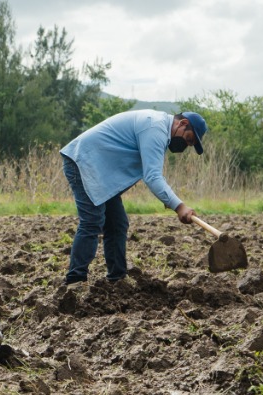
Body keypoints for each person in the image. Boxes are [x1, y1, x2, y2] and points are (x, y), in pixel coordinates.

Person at [59, 108, 209, 285]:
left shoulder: (157, 126)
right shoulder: (155, 128)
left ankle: (117, 280)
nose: (184, 145)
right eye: (188, 139)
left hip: (100, 172)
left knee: (117, 223)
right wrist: (179, 206)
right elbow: (152, 177)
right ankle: (75, 282)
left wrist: (170, 201)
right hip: (83, 162)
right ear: (182, 123)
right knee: (92, 220)